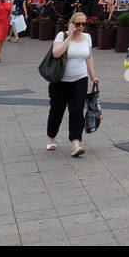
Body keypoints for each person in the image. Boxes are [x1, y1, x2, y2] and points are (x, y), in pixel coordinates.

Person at [46, 11, 99, 156]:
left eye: (83, 24)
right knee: (56, 111)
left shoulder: (87, 37)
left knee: (76, 112)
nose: (81, 27)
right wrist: (69, 36)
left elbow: (89, 57)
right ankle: (51, 138)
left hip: (80, 80)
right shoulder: (61, 35)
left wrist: (93, 75)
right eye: (78, 24)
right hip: (60, 81)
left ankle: (76, 143)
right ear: (72, 23)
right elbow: (56, 53)